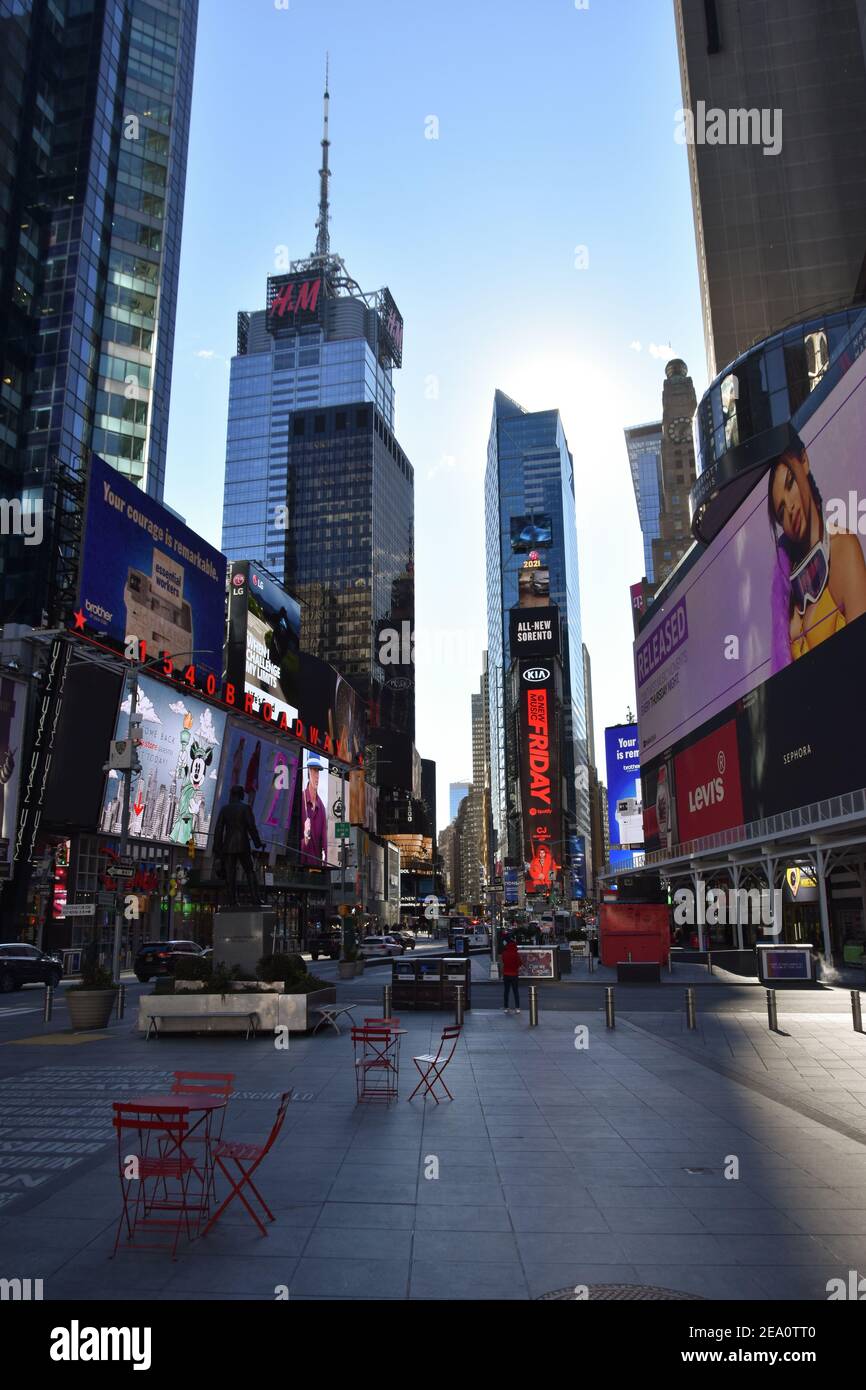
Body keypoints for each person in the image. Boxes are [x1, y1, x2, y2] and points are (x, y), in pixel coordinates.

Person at [768, 437, 866, 671]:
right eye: (781, 510)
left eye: (790, 483)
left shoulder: (843, 549)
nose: (790, 508)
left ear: (805, 462)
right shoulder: (786, 590)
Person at [213, 785, 263, 907]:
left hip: (228, 846)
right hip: (243, 845)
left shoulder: (225, 809)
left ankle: (232, 901)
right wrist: (257, 843)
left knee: (230, 875)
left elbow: (218, 830)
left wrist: (218, 849)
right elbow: (252, 827)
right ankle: (255, 899)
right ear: (241, 795)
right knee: (249, 871)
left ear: (231, 794)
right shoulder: (245, 808)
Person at [300, 755, 328, 865]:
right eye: (314, 771)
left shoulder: (321, 807)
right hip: (301, 866)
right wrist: (305, 839)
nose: (317, 776)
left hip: (317, 867)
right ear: (308, 772)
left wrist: (325, 866)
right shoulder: (301, 800)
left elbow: (325, 843)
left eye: (318, 772)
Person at [501, 935, 521, 1015]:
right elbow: (519, 963)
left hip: (506, 974)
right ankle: (517, 1008)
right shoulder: (515, 954)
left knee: (506, 991)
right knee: (515, 991)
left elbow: (503, 961)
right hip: (514, 974)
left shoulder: (504, 953)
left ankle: (506, 1007)